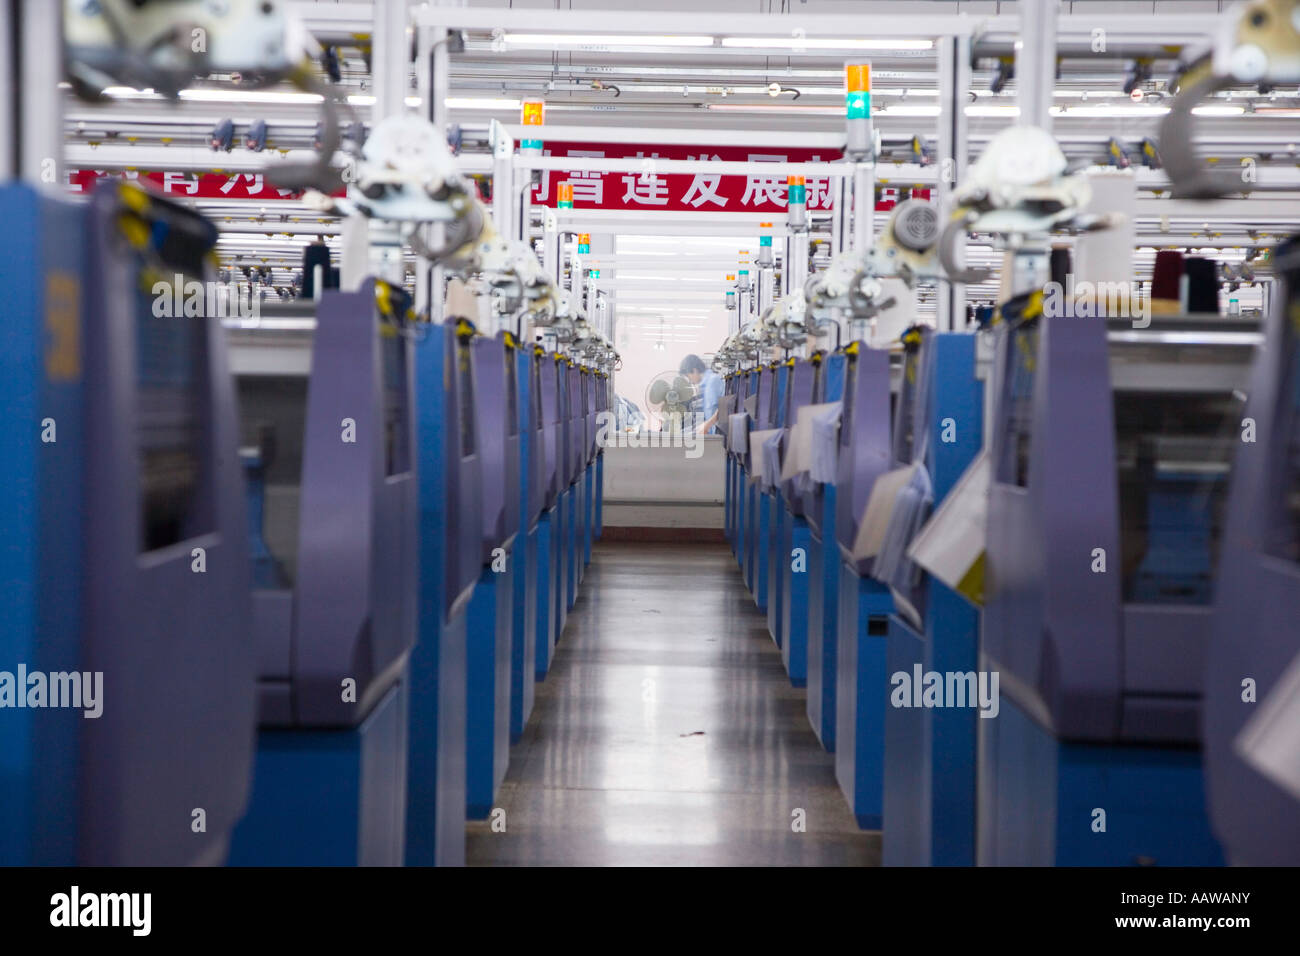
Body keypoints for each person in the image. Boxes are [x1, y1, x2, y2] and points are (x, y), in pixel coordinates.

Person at [680, 353, 724, 436]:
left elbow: (725, 407)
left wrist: (707, 425)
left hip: (720, 437)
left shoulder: (713, 381)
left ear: (694, 370)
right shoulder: (705, 386)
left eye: (688, 376)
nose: (689, 381)